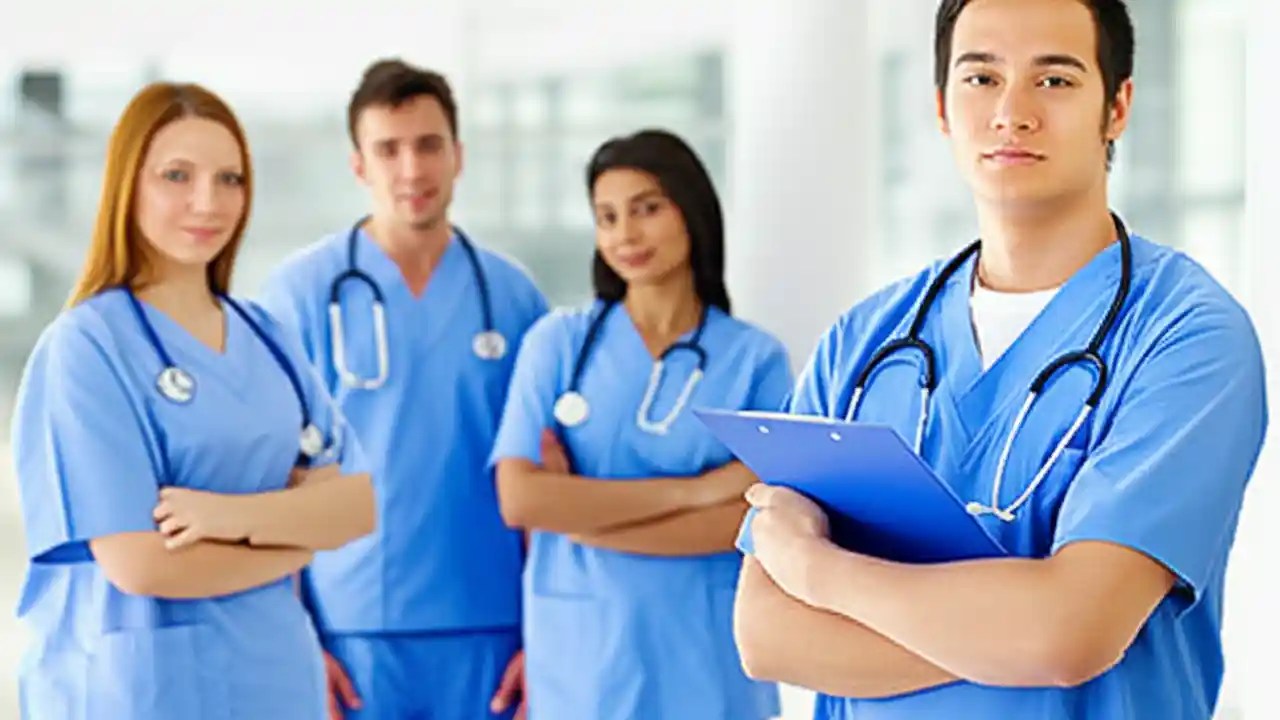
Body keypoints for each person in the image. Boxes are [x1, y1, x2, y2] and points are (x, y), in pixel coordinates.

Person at [732, 1, 1267, 719]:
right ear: (942, 109)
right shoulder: (864, 345)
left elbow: (1070, 633)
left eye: (1055, 81)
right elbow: (764, 634)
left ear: (1118, 106)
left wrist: (816, 569)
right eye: (981, 77)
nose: (1012, 113)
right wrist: (1014, 631)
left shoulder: (1186, 336)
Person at [9, 81, 375, 720]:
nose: (208, 201)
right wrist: (294, 538)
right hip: (142, 687)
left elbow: (355, 508)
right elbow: (141, 564)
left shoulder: (268, 337)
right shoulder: (88, 347)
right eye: (177, 175)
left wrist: (224, 516)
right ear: (129, 185)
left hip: (275, 679)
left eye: (229, 178)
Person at [258, 58, 548, 720]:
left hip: (491, 627)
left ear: (458, 155)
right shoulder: (301, 295)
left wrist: (543, 635)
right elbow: (270, 474)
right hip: (348, 626)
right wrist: (296, 635)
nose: (412, 170)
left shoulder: (512, 297)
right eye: (389, 149)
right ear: (359, 164)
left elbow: (544, 475)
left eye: (428, 145)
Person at [490, 128, 791, 720]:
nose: (624, 234)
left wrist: (583, 517)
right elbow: (521, 500)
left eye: (646, 209)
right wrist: (698, 489)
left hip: (706, 660)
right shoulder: (559, 345)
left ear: (692, 210)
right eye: (606, 216)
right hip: (583, 662)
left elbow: (755, 523)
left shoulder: (756, 360)